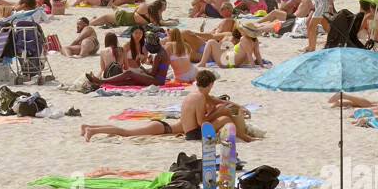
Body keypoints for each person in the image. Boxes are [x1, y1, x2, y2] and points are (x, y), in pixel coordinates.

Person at [81, 70, 258, 142]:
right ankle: (92, 131)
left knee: (126, 131)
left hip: (165, 126)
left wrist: (239, 107)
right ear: (210, 84)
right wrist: (220, 112)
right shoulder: (200, 99)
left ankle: (90, 127)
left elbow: (221, 102)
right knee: (126, 132)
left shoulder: (197, 95)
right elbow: (201, 122)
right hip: (173, 130)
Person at [84, 30, 170, 87]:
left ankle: (101, 81)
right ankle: (103, 83)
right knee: (130, 81)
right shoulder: (163, 52)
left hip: (157, 81)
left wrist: (142, 69)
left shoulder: (158, 56)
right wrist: (144, 69)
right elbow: (160, 70)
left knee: (129, 73)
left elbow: (153, 74)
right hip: (160, 80)